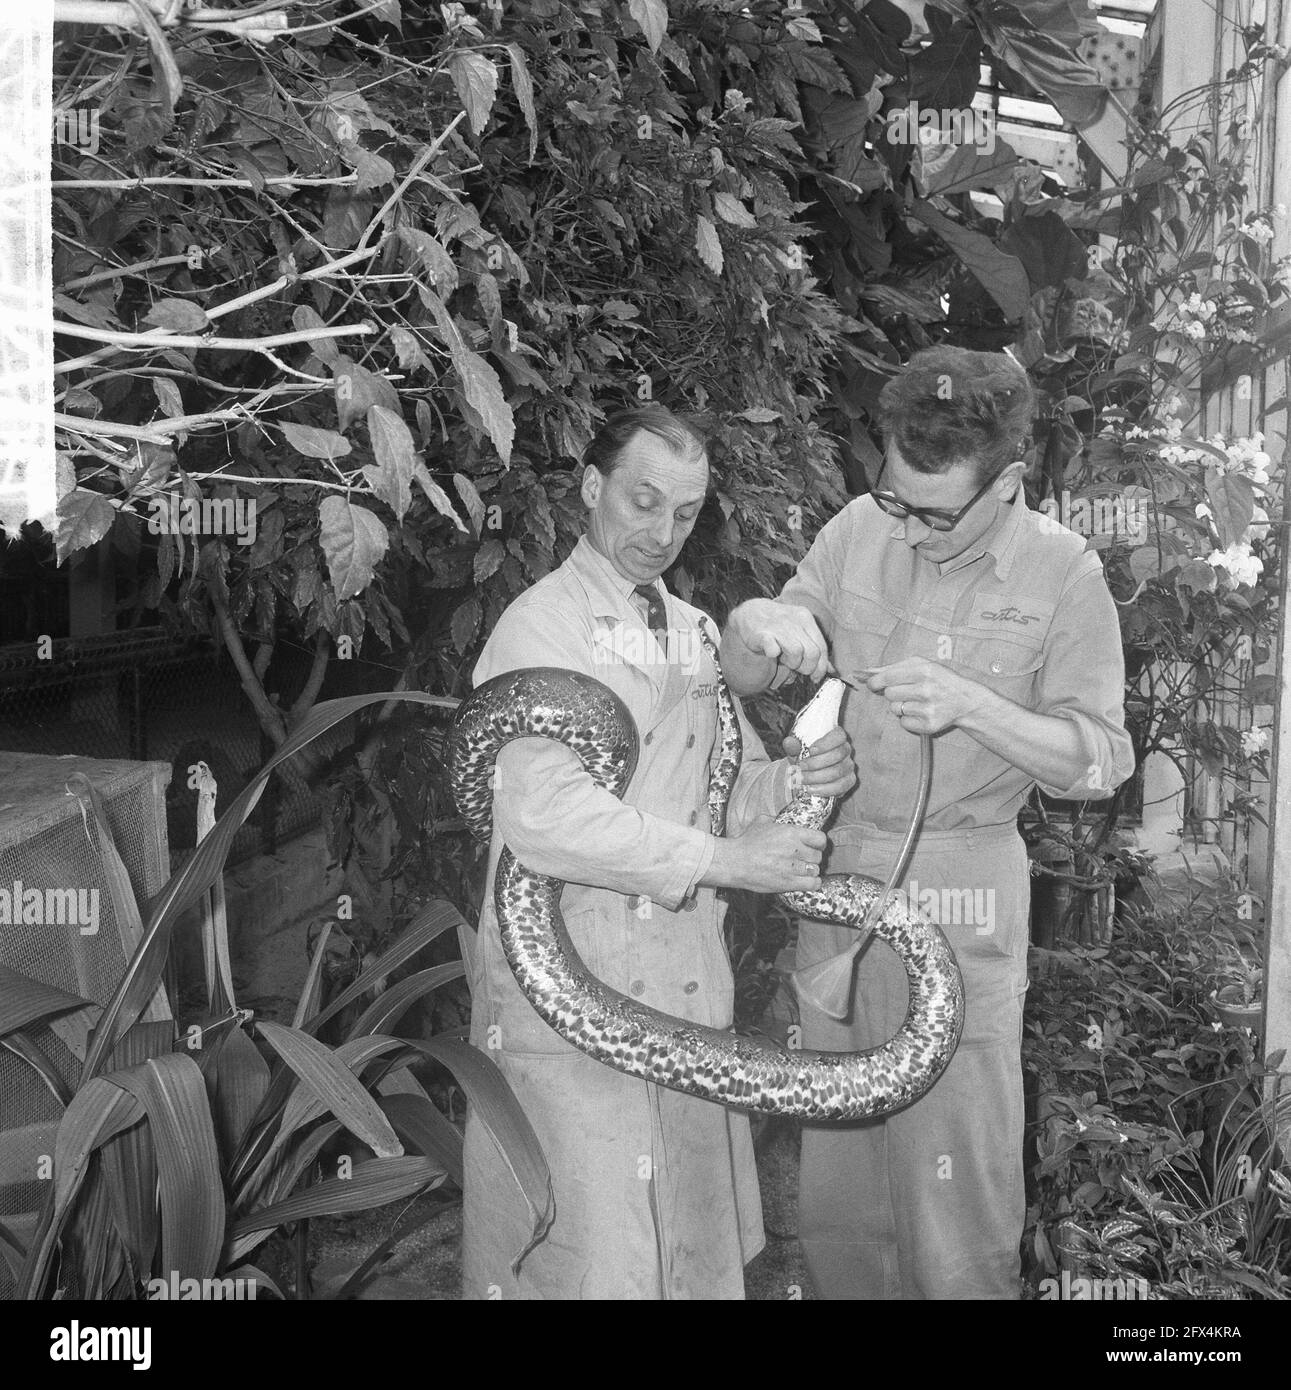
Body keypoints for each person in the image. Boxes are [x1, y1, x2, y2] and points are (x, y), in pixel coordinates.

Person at [720, 346, 1135, 1300]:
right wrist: (753, 628)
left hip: (963, 885)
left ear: (1007, 485)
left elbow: (1097, 763)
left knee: (957, 1168)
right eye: (893, 498)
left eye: (934, 513)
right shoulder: (859, 528)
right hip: (839, 874)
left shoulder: (1062, 572)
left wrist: (971, 704)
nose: (904, 529)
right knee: (837, 1166)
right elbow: (760, 661)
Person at [461, 404, 857, 1299]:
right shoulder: (539, 628)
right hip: (572, 1000)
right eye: (642, 503)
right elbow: (546, 821)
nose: (661, 533)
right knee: (591, 1265)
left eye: (682, 514)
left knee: (686, 1259)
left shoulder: (690, 630)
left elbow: (730, 788)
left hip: (681, 993)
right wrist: (730, 865)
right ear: (592, 488)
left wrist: (798, 776)